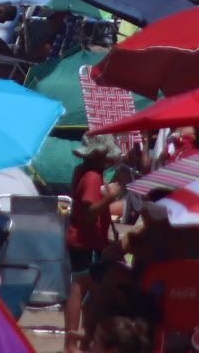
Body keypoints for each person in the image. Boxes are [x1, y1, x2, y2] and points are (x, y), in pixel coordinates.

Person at [65, 137, 124, 353]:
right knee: (83, 288)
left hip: (84, 240)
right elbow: (89, 214)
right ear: (98, 155)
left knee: (86, 288)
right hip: (86, 241)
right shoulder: (91, 177)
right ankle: (73, 343)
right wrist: (110, 198)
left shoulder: (84, 171)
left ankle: (79, 342)